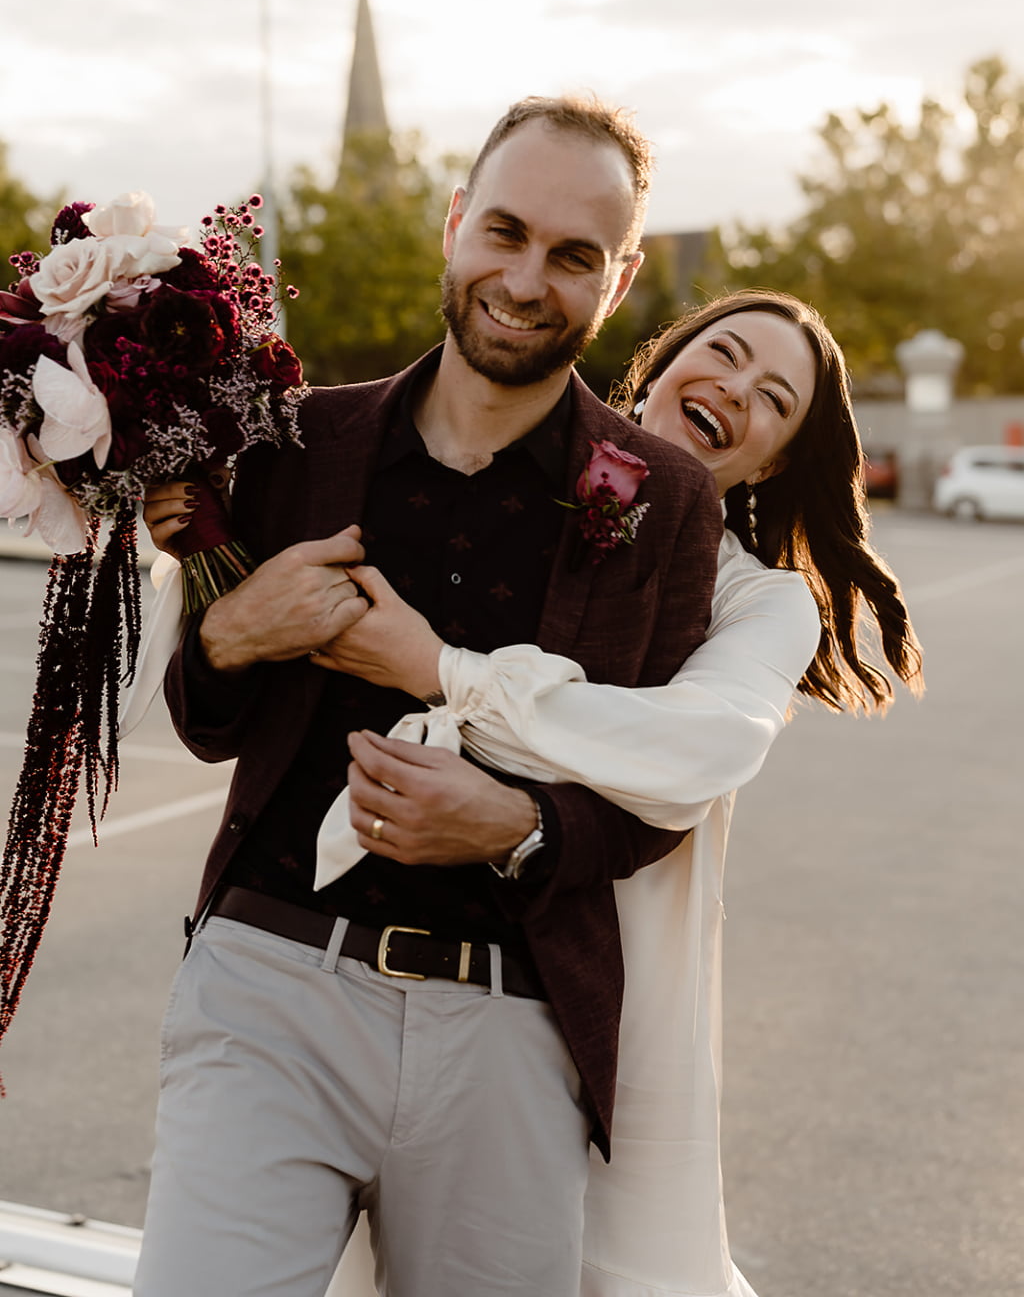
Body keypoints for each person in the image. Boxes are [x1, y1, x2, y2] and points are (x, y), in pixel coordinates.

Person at [133, 95, 724, 1297]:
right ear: (454, 226)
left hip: (512, 1025)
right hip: (271, 983)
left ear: (613, 287)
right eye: (503, 230)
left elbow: (663, 781)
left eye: (572, 255)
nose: (524, 276)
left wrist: (520, 827)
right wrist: (230, 634)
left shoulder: (663, 497)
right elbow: (206, 720)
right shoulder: (291, 442)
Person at [288, 289, 923, 1297]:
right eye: (722, 351)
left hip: (625, 969)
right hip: (423, 958)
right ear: (661, 362)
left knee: (617, 1261)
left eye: (773, 399)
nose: (735, 389)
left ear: (767, 463)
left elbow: (697, 745)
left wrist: (447, 674)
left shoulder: (759, 598)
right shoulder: (505, 488)